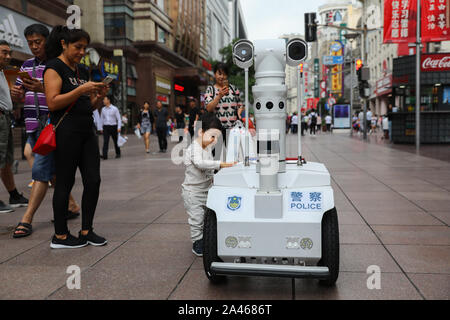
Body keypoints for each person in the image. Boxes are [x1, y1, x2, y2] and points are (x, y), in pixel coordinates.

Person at [10, 25, 80, 238]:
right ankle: (71, 206)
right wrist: (17, 92)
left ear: (47, 41)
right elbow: (20, 97)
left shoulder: (56, 64)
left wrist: (42, 88)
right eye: (30, 43)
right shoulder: (27, 65)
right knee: (53, 170)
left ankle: (27, 219)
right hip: (32, 124)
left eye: (38, 42)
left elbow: (65, 92)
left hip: (52, 124)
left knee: (40, 170)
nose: (33, 47)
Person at [43, 26, 108, 249]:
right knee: (65, 181)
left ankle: (86, 230)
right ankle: (60, 235)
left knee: (93, 180)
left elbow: (86, 106)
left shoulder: (80, 70)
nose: (82, 52)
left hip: (86, 130)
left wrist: (98, 97)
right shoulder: (54, 67)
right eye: (77, 47)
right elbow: (53, 102)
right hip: (66, 131)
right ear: (64, 44)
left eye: (84, 48)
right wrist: (81, 90)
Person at [181, 113, 235, 256]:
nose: (215, 140)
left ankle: (206, 239)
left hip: (206, 191)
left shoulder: (206, 149)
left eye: (217, 137)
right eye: (212, 136)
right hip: (193, 193)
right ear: (201, 132)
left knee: (206, 218)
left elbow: (209, 170)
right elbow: (201, 164)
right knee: (196, 219)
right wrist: (221, 164)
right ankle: (197, 243)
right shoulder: (194, 148)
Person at [0, 40, 29, 214]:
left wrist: (11, 95)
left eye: (9, 52)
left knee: (6, 161)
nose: (8, 56)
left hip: (6, 118)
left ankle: (14, 195)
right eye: (4, 52)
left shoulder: (3, 72)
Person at [205, 63, 243, 147]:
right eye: (219, 73)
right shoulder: (210, 90)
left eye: (224, 74)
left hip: (232, 130)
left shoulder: (233, 89)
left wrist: (239, 113)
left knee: (232, 156)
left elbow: (240, 104)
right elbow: (208, 108)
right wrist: (219, 96)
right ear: (215, 74)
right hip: (216, 130)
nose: (222, 77)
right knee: (217, 157)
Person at [100, 95, 121, 159]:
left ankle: (118, 153)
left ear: (108, 100)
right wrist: (101, 127)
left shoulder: (115, 109)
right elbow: (102, 119)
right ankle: (104, 155)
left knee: (115, 141)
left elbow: (119, 119)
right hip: (106, 127)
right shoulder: (103, 109)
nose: (103, 101)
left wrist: (119, 127)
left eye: (104, 99)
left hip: (113, 127)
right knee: (105, 141)